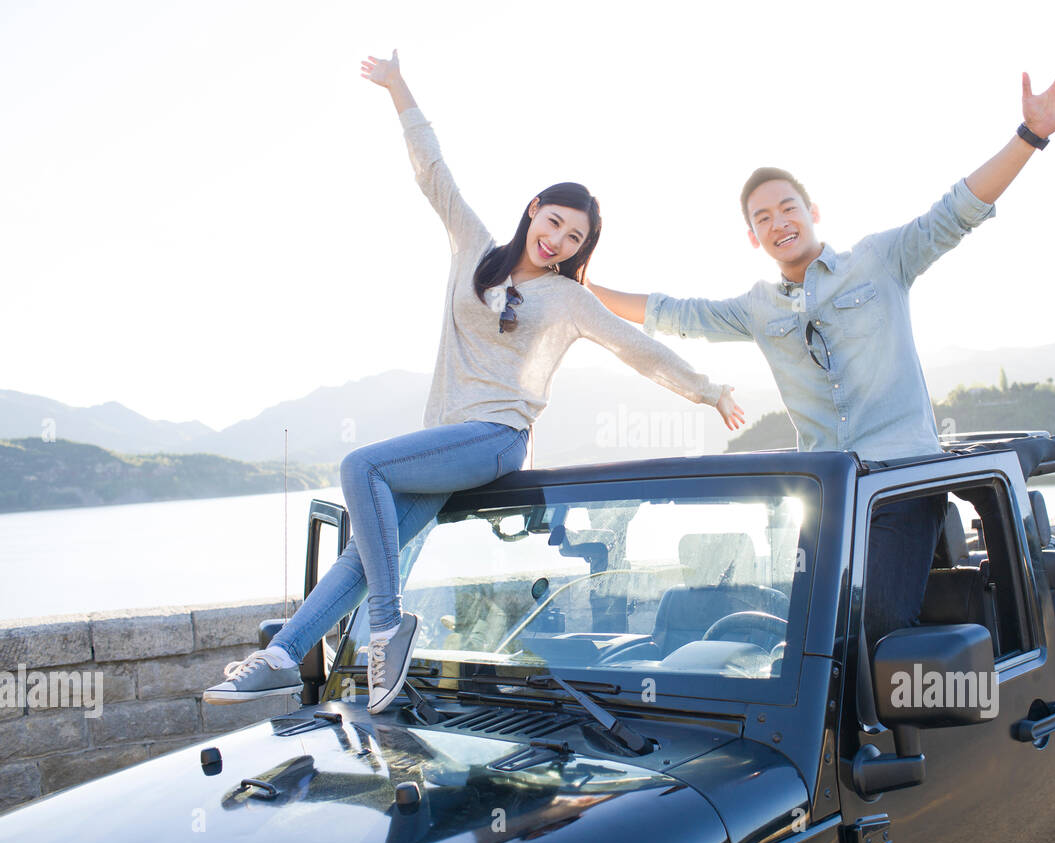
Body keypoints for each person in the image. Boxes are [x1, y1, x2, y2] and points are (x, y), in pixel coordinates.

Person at [204, 49, 744, 715]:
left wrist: (707, 389)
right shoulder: (474, 248)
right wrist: (399, 87)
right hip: (445, 443)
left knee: (360, 467)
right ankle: (283, 656)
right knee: (362, 556)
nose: (560, 241)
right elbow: (433, 173)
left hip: (494, 439)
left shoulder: (566, 300)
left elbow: (636, 347)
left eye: (575, 238)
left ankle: (386, 625)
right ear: (535, 209)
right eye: (555, 223)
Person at [588, 61, 1055, 641]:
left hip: (903, 485)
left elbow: (957, 210)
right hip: (828, 499)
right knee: (807, 640)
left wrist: (1029, 136)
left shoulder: (880, 261)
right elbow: (672, 313)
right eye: (763, 217)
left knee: (871, 627)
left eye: (787, 207)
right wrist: (582, 287)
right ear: (753, 237)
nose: (779, 221)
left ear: (812, 212)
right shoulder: (757, 308)